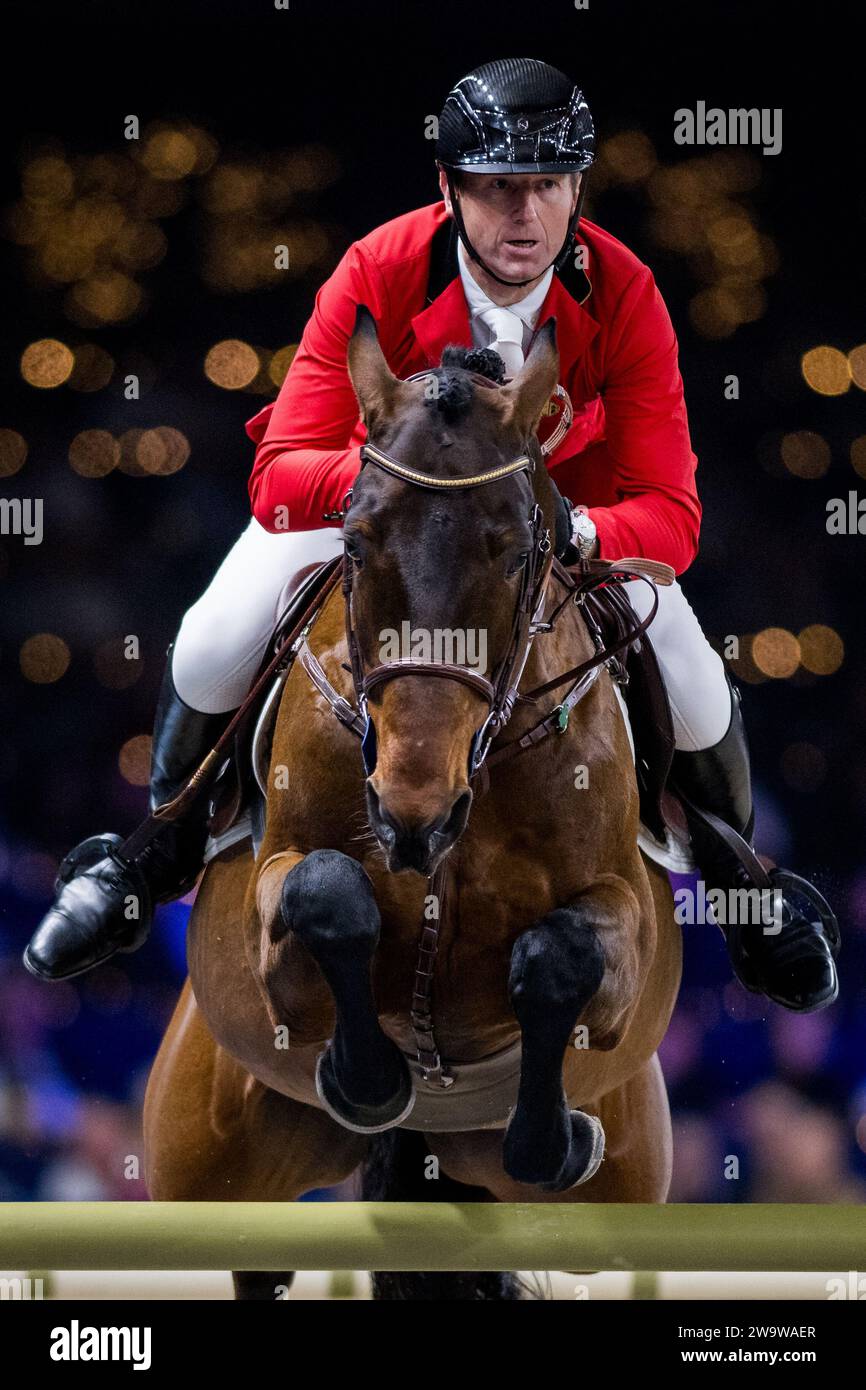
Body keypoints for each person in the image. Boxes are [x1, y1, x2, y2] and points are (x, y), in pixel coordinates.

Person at [25, 57, 838, 1012]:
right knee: (210, 640)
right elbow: (280, 473)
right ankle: (147, 858)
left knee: (695, 681)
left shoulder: (625, 291)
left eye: (547, 185)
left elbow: (671, 511)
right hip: (382, 529)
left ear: (579, 187)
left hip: (555, 539)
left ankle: (745, 894)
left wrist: (564, 525)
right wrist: (401, 495)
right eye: (497, 189)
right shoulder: (378, 268)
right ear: (449, 189)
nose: (525, 216)